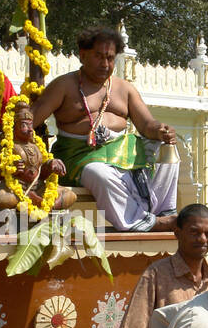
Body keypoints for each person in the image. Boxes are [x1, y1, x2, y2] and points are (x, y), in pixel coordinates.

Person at [32, 26, 178, 232]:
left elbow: (146, 125)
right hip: (80, 156)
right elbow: (30, 119)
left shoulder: (124, 88)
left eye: (110, 58)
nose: (105, 64)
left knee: (167, 149)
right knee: (98, 173)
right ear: (83, 55)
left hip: (122, 150)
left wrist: (161, 130)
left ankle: (163, 213)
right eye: (99, 56)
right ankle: (139, 222)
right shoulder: (64, 86)